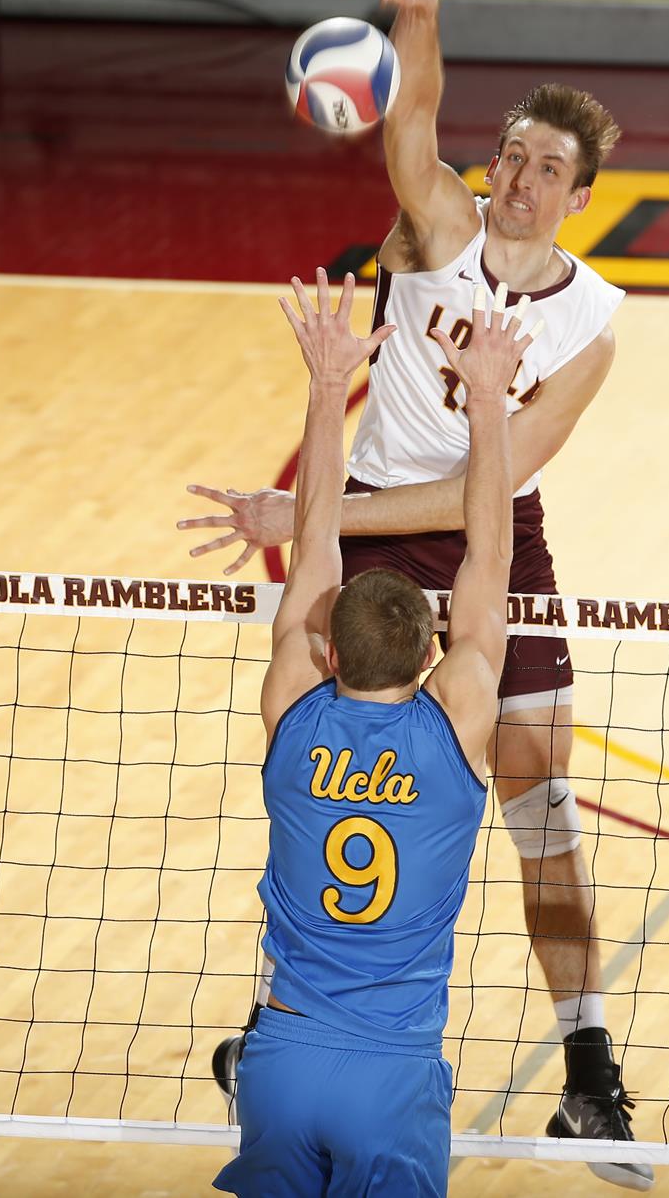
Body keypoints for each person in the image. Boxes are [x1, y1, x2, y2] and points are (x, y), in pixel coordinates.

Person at [186, 0, 648, 1187]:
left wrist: (308, 525)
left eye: (550, 168)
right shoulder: (435, 219)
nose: (520, 176)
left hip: (479, 529)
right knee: (323, 776)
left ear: (580, 195)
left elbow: (486, 488)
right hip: (379, 516)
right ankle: (281, 1019)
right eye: (512, 154)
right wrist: (423, 10)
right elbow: (415, 116)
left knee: (538, 812)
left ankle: (590, 1071)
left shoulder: (590, 327)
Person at [214, 271, 528, 1197]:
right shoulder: (454, 721)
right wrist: (486, 400)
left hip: (284, 1056)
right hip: (392, 1071)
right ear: (431, 651)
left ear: (325, 644)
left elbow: (312, 538)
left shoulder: (294, 712)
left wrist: (325, 384)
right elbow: (493, 552)